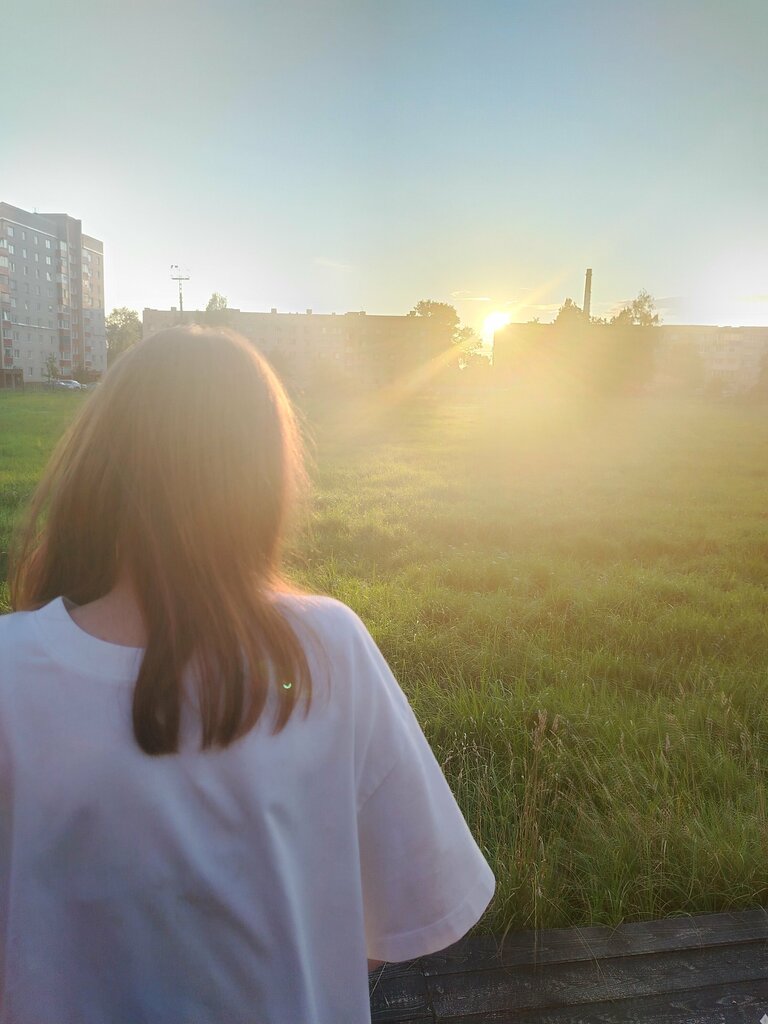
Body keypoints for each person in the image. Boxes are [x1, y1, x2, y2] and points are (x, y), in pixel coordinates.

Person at [0, 325, 496, 1024]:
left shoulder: (10, 669)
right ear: (260, 478)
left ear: (99, 466)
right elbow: (406, 908)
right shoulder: (326, 648)